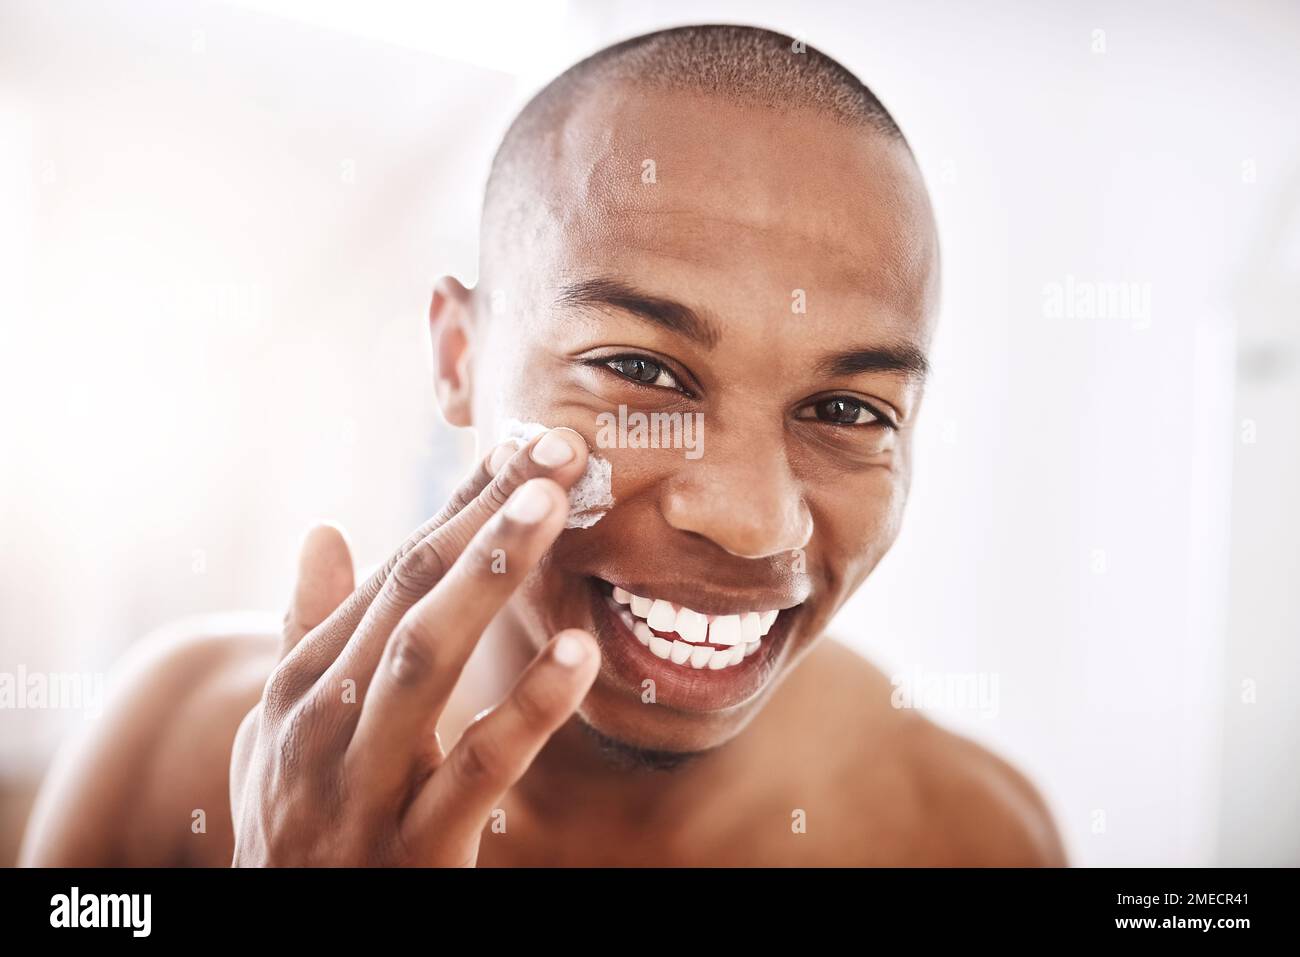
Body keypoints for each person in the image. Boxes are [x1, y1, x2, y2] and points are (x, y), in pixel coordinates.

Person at [19, 24, 1066, 866]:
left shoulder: (969, 838)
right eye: (641, 369)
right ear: (460, 358)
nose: (753, 522)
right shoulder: (175, 752)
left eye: (847, 411)